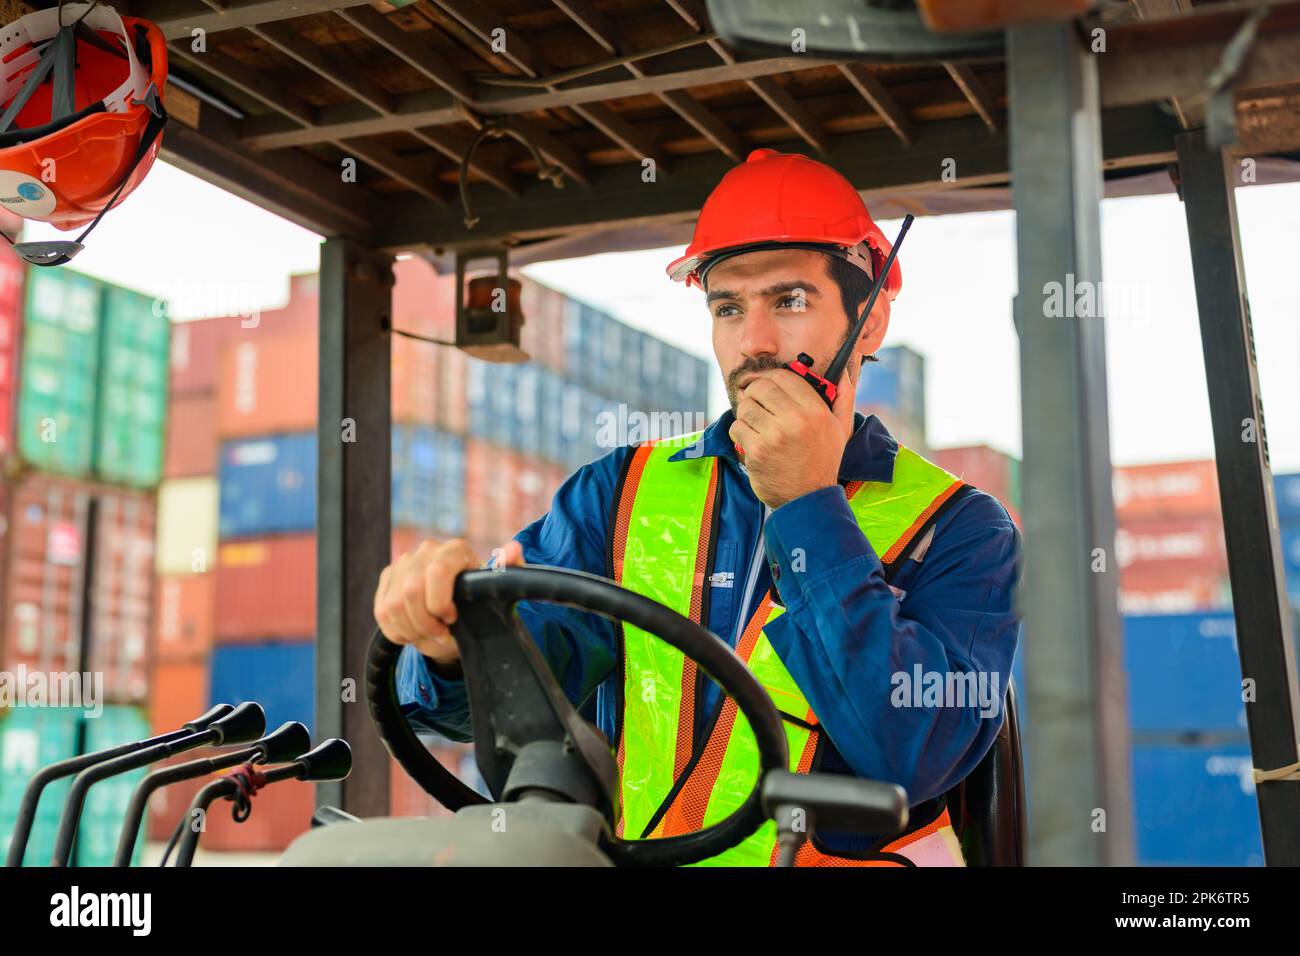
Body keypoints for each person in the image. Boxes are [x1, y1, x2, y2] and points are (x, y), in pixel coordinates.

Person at [374, 148, 1022, 867]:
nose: (754, 343)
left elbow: (914, 753)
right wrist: (449, 645)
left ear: (868, 324)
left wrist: (807, 504)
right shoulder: (619, 493)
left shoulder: (963, 530)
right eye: (728, 308)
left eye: (790, 300)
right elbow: (486, 709)